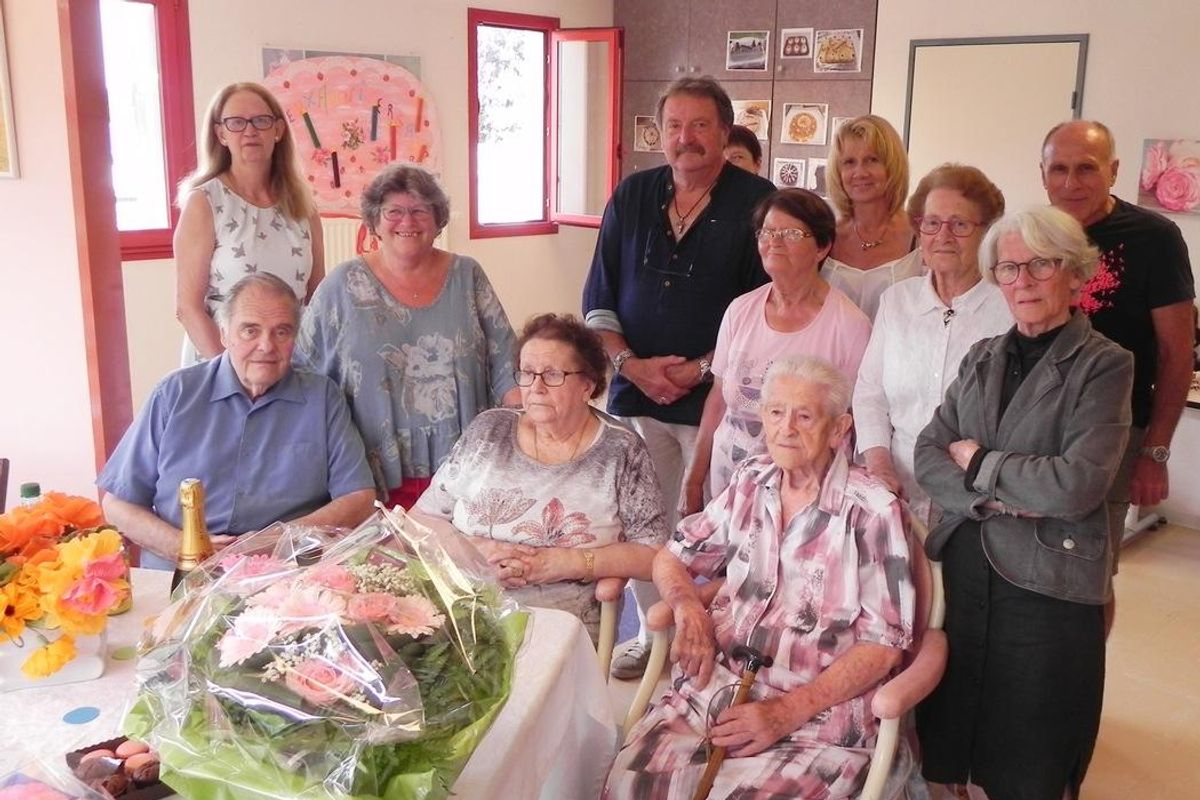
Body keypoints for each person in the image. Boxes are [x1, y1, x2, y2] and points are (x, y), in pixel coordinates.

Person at [606, 357, 914, 799]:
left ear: (838, 429)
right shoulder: (752, 480)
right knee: (630, 785)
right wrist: (688, 607)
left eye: (804, 415)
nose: (786, 428)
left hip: (817, 717)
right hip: (718, 690)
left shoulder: (873, 511)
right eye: (775, 412)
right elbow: (672, 556)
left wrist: (785, 712)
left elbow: (884, 647)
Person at [914, 207, 1134, 800]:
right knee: (956, 721)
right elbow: (929, 452)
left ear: (1073, 273)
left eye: (1041, 264)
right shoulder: (982, 355)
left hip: (1051, 576)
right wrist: (1002, 498)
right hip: (967, 562)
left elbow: (1076, 485)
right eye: (1010, 267)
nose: (1024, 280)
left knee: (1034, 729)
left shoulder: (1106, 365)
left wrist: (981, 464)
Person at [582, 76, 775, 679]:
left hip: (718, 403)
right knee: (644, 521)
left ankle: (713, 638)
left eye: (699, 126)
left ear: (723, 132)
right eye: (674, 126)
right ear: (659, 132)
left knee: (715, 521)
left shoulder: (757, 202)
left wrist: (699, 369)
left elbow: (765, 309)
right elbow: (599, 298)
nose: (685, 138)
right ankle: (652, 633)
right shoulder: (633, 194)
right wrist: (629, 364)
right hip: (635, 395)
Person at [414, 314, 668, 642]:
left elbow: (654, 553)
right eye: (527, 373)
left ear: (587, 385)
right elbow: (421, 518)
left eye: (552, 375)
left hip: (558, 619)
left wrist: (568, 563)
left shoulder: (620, 450)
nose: (535, 387)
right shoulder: (489, 430)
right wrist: (476, 550)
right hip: (462, 601)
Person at [98, 274, 376, 569]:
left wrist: (274, 541)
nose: (266, 345)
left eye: (282, 332)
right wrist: (182, 547)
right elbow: (117, 505)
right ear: (224, 334)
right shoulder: (175, 394)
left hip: (283, 579)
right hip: (181, 577)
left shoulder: (322, 398)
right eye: (249, 331)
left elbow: (359, 498)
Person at [296, 164, 520, 511]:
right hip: (371, 476)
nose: (408, 222)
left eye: (420, 210)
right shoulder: (342, 286)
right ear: (375, 223)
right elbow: (304, 372)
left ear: (437, 220)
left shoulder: (467, 276)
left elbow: (505, 357)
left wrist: (529, 434)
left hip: (466, 471)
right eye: (394, 212)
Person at [1040, 120, 1195, 562]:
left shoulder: (1155, 239)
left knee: (1091, 571)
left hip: (1116, 433)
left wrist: (1155, 451)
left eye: (1086, 169)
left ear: (1113, 170)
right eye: (1059, 169)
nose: (1071, 184)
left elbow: (1176, 353)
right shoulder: (1034, 234)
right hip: (1035, 428)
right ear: (1042, 173)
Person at [681, 189, 871, 515]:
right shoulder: (740, 310)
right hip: (728, 485)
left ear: (822, 247)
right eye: (767, 232)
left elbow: (853, 421)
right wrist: (694, 478)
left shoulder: (850, 325)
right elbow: (717, 401)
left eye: (791, 234)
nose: (775, 242)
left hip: (803, 496)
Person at [855, 164, 1012, 523]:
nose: (943, 236)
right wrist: (878, 465)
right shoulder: (897, 301)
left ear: (986, 232)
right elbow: (869, 394)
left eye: (959, 225)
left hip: (974, 496)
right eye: (931, 223)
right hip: (896, 489)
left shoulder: (1009, 311)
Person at [174, 82, 324, 365]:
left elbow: (316, 298)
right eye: (236, 122)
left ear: (278, 130)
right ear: (221, 133)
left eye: (261, 121)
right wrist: (234, 377)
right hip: (220, 365)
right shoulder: (204, 202)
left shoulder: (304, 206)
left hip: (290, 364)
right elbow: (188, 308)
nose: (250, 130)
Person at [824, 115, 923, 321]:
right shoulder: (824, 236)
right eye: (849, 162)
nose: (860, 172)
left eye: (872, 160)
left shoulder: (920, 238)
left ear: (892, 166)